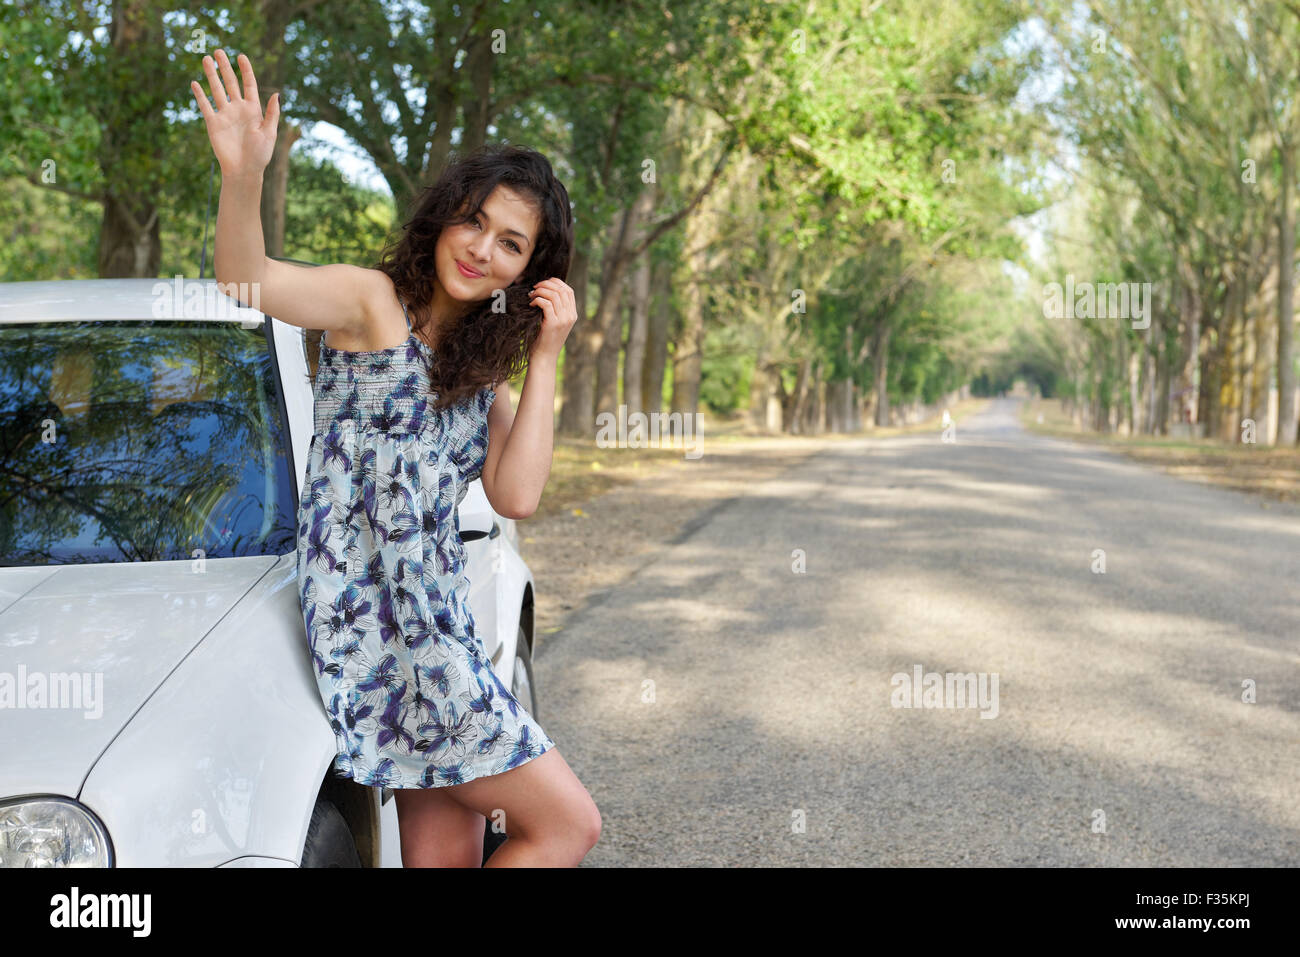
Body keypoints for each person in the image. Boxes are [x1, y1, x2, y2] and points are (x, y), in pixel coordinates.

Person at [192, 48, 600, 867]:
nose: (482, 248)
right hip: (388, 643)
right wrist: (243, 176)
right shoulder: (372, 305)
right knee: (568, 823)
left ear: (526, 276)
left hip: (439, 633)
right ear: (446, 215)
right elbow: (244, 280)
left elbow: (517, 493)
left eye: (511, 244)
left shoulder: (479, 378)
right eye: (474, 220)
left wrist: (547, 350)